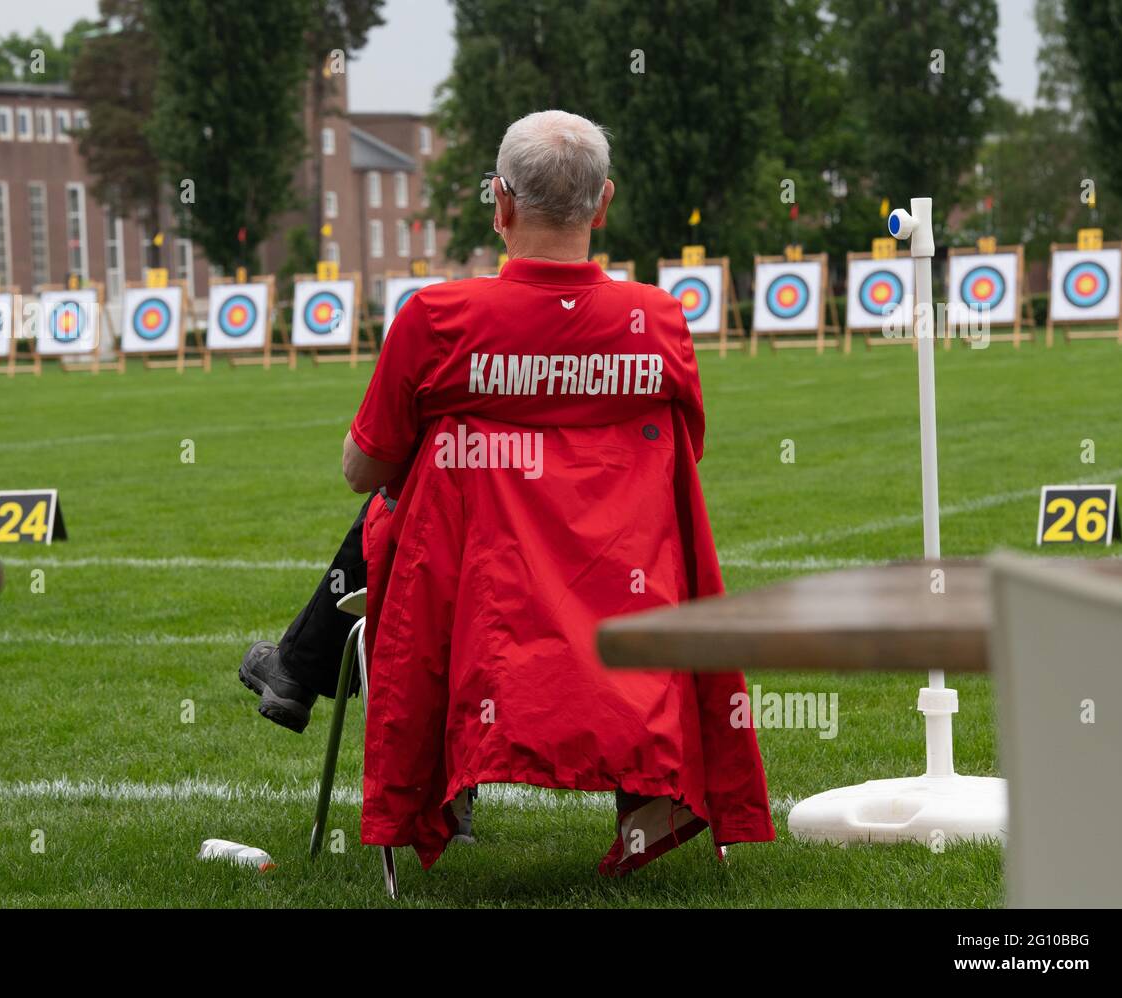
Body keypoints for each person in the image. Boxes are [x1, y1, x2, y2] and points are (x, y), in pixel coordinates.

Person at [244, 109, 773, 876]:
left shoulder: (437, 316)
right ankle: (299, 665)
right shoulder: (657, 321)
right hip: (629, 588)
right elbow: (680, 459)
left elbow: (362, 468)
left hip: (474, 604)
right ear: (603, 204)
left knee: (414, 486)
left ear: (500, 203)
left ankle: (309, 673)